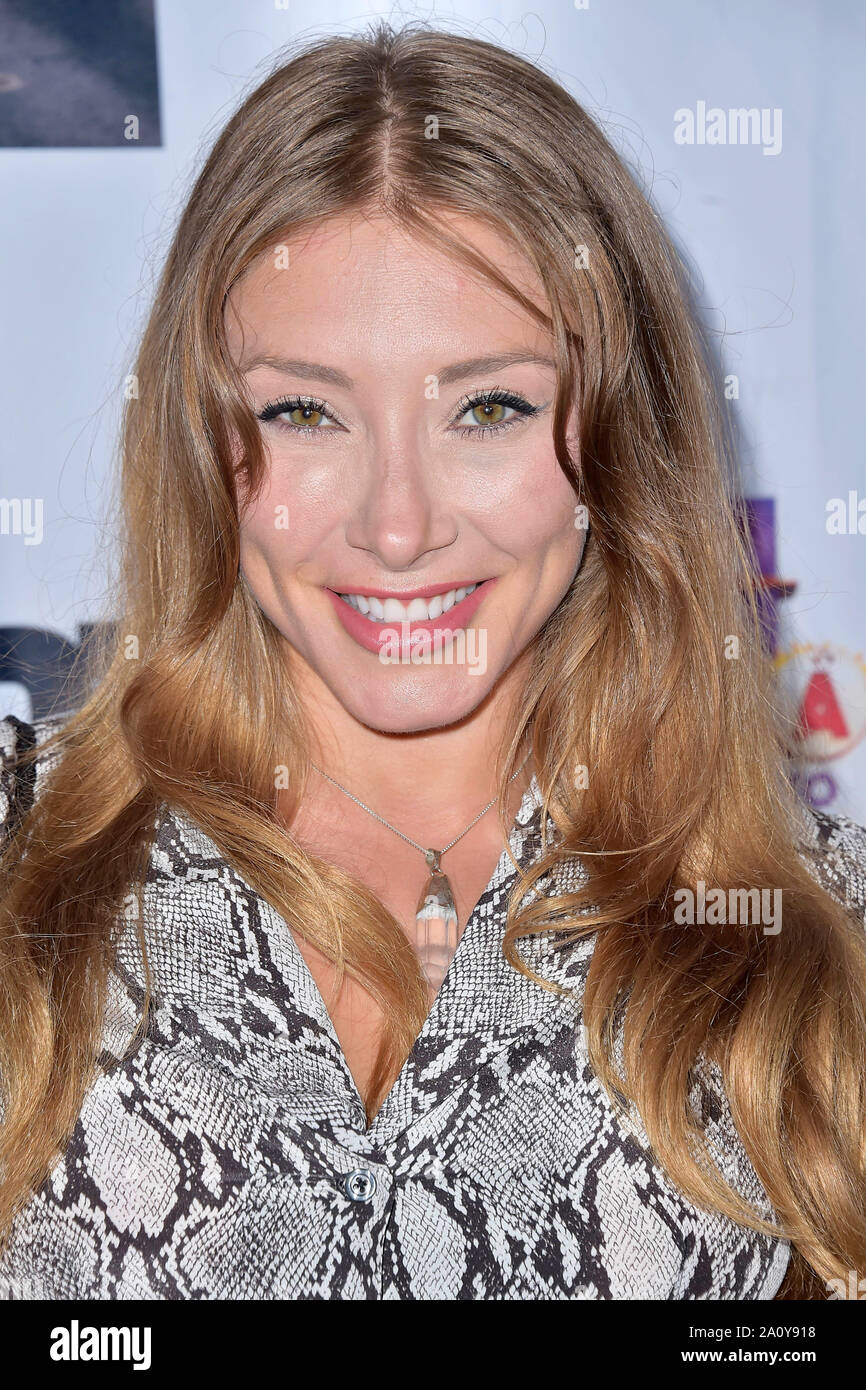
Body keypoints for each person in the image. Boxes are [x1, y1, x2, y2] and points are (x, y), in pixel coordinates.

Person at [0, 21, 864, 1301]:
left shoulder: (814, 940)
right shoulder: (25, 865)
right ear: (202, 443)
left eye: (488, 408)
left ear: (619, 437)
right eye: (304, 411)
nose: (396, 526)